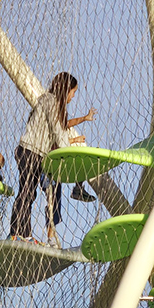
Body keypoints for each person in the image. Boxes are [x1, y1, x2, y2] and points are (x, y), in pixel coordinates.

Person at [10, 73, 86, 243]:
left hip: (34, 153)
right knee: (26, 193)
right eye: (73, 92)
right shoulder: (51, 101)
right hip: (30, 151)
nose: (73, 96)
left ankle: (25, 234)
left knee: (29, 193)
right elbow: (58, 131)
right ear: (66, 89)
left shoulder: (48, 101)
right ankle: (15, 233)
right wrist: (69, 153)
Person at [41, 104, 98, 247]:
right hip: (47, 170)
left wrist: (85, 118)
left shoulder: (62, 126)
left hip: (57, 170)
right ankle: (49, 239)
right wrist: (75, 140)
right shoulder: (50, 128)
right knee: (52, 202)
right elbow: (54, 145)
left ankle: (78, 188)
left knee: (56, 204)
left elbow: (69, 123)